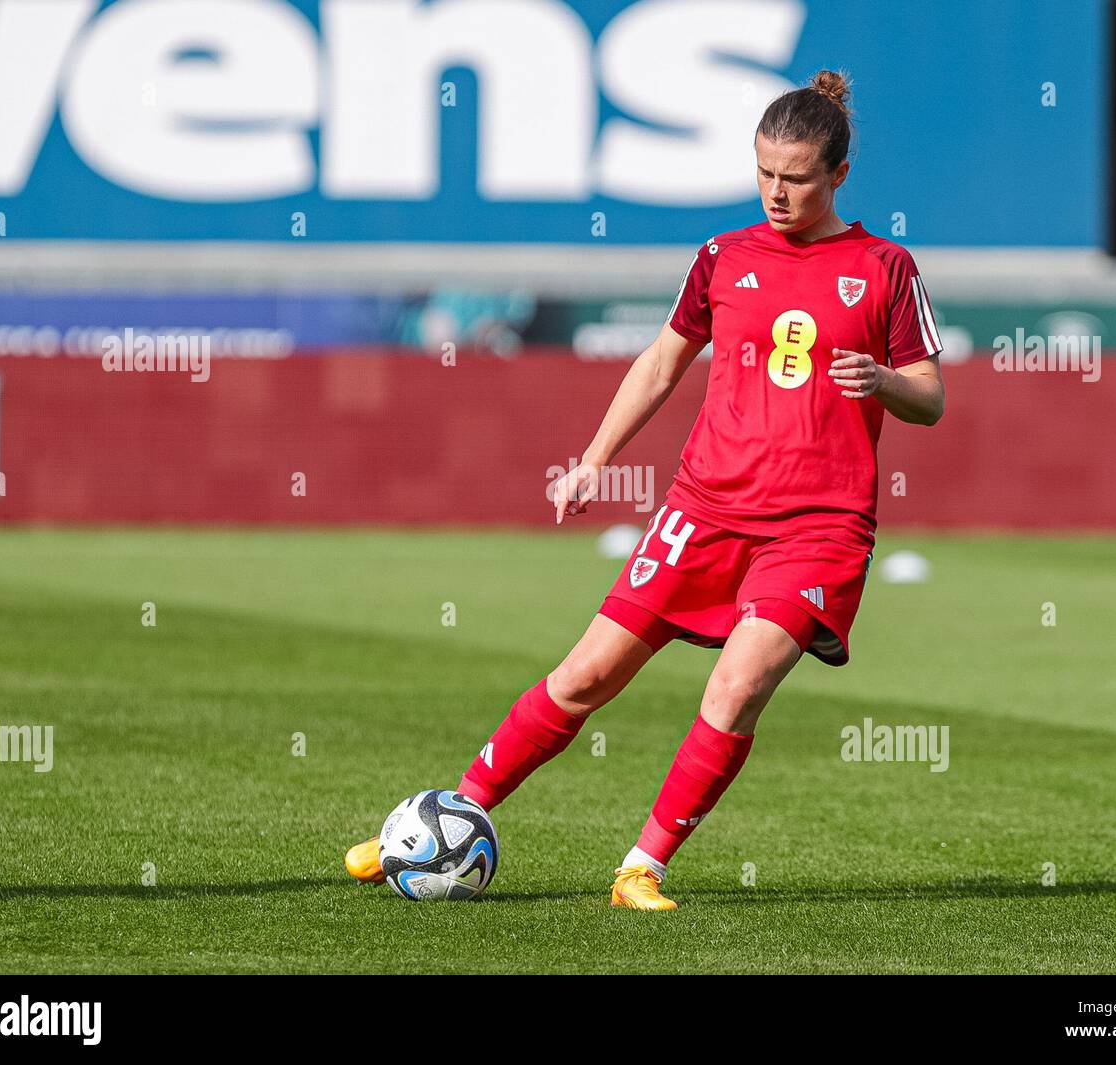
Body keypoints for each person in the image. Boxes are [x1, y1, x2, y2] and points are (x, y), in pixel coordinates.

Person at [347, 69, 945, 910]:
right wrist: (594, 458)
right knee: (585, 674)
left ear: (839, 173)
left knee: (735, 688)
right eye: (765, 172)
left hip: (818, 526)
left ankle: (643, 865)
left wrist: (882, 377)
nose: (777, 191)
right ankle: (441, 821)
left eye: (798, 176)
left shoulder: (884, 266)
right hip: (703, 508)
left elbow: (931, 397)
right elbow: (662, 360)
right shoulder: (721, 256)